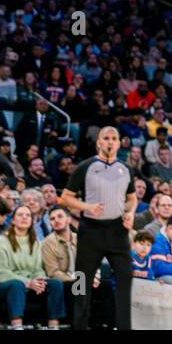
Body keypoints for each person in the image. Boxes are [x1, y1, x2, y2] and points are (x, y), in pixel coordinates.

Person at [59, 125, 136, 330]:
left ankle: (124, 327)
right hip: (90, 230)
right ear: (99, 142)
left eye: (114, 138)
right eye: (106, 138)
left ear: (119, 143)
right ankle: (78, 326)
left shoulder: (126, 169)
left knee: (125, 280)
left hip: (118, 231)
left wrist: (130, 212)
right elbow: (65, 198)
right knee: (81, 281)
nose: (110, 142)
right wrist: (87, 207)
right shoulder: (85, 167)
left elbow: (132, 198)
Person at [0, 205, 66, 328]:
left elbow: (38, 269)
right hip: (0, 285)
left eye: (28, 215)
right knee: (16, 284)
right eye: (20, 215)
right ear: (13, 220)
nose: (24, 217)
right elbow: (0, 273)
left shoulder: (36, 242)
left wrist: (39, 281)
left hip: (28, 283)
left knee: (55, 284)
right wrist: (27, 283)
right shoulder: (0, 242)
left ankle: (53, 325)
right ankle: (17, 325)